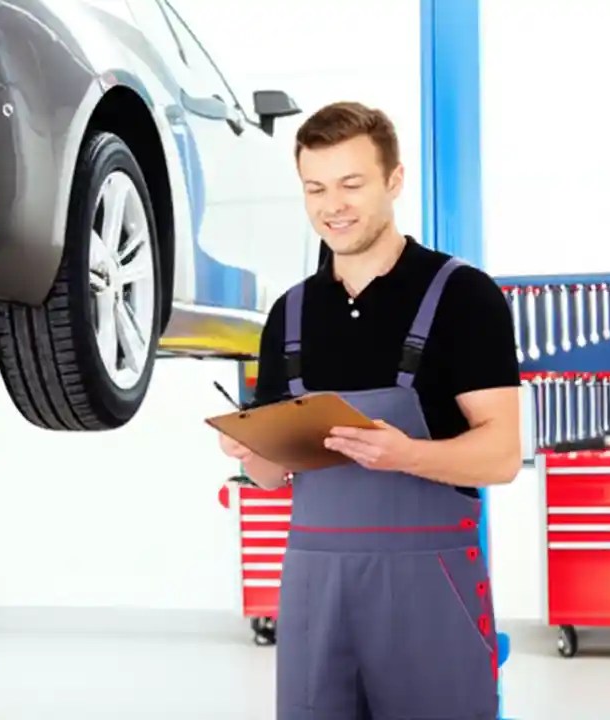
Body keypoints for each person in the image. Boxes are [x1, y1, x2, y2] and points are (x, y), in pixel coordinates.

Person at [219, 101, 521, 720]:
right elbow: (273, 478)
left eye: (352, 184)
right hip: (314, 585)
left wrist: (408, 455)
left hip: (427, 585)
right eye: (316, 188)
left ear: (394, 181)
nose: (334, 205)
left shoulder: (464, 296)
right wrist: (254, 453)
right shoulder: (290, 313)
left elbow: (501, 455)